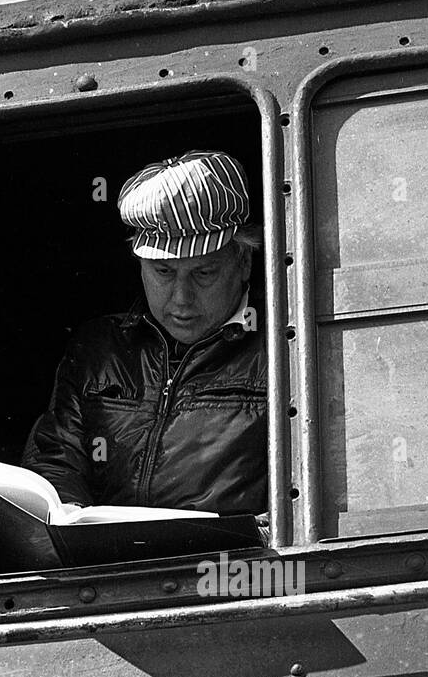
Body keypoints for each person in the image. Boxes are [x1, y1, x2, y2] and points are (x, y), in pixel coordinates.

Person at [21, 150, 267, 518]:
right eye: (163, 272)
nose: (182, 299)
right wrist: (71, 523)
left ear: (244, 262)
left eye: (204, 273)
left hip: (229, 571)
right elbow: (56, 458)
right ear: (139, 265)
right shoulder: (100, 348)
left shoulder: (282, 348)